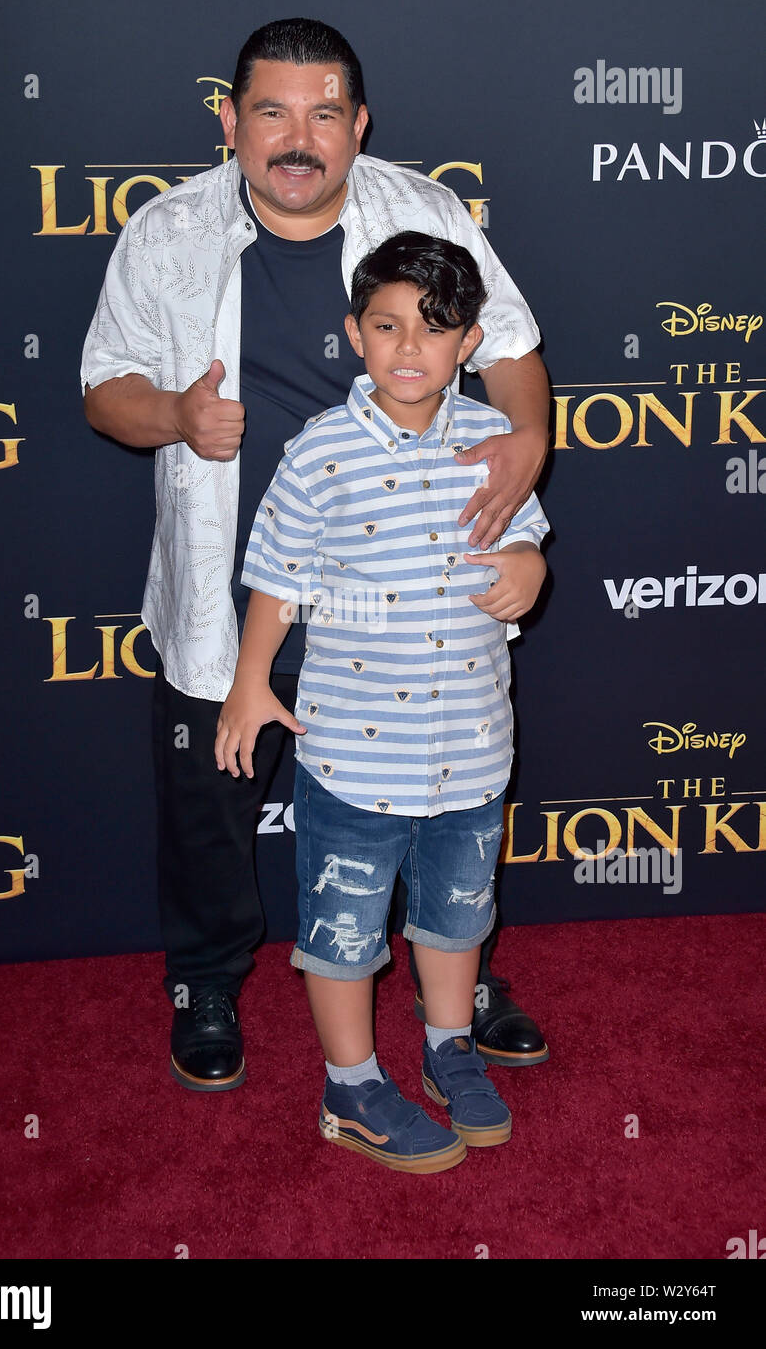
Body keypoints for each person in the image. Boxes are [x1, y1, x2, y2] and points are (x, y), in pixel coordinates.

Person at [81, 17, 550, 1094]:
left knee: (443, 796)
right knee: (211, 803)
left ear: (357, 123)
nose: (299, 138)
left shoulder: (422, 211)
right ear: (229, 121)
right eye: (272, 112)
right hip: (241, 588)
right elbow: (103, 389)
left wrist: (524, 443)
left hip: (411, 594)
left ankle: (461, 978)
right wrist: (175, 416)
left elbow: (512, 348)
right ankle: (203, 977)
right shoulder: (165, 234)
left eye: (324, 113)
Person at [214, 232, 549, 1169]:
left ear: (469, 344)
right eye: (388, 326)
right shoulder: (321, 452)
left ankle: (449, 1047)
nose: (410, 348)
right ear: (354, 334)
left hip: (473, 749)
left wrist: (527, 565)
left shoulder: (497, 443)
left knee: (454, 917)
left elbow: (523, 542)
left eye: (434, 330)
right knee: (344, 930)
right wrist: (247, 683)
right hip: (355, 759)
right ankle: (351, 1082)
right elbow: (277, 580)